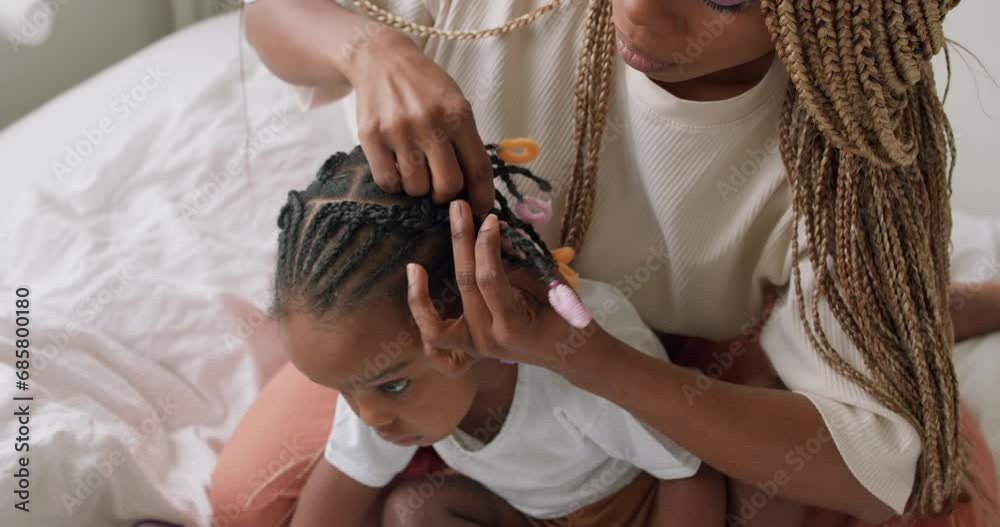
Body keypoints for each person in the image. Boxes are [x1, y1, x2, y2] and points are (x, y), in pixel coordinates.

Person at [212, 1, 999, 526]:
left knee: (945, 506)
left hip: (688, 351)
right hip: (439, 331)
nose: (643, 14)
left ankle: (934, 308)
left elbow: (879, 465)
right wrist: (368, 47)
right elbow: (268, 13)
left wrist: (584, 359)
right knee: (249, 501)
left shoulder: (838, 156)